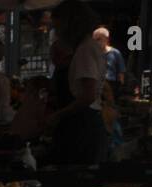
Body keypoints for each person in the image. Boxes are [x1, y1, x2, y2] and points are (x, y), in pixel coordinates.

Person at [46, 0, 108, 165]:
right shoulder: (89, 47)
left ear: (70, 26)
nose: (57, 33)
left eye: (58, 28)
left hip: (82, 125)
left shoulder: (85, 50)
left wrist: (57, 115)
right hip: (87, 122)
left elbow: (88, 95)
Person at [95, 27, 126, 97]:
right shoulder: (93, 53)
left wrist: (121, 87)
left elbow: (121, 72)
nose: (97, 42)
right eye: (95, 40)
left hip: (111, 85)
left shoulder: (115, 53)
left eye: (99, 39)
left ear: (106, 39)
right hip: (97, 85)